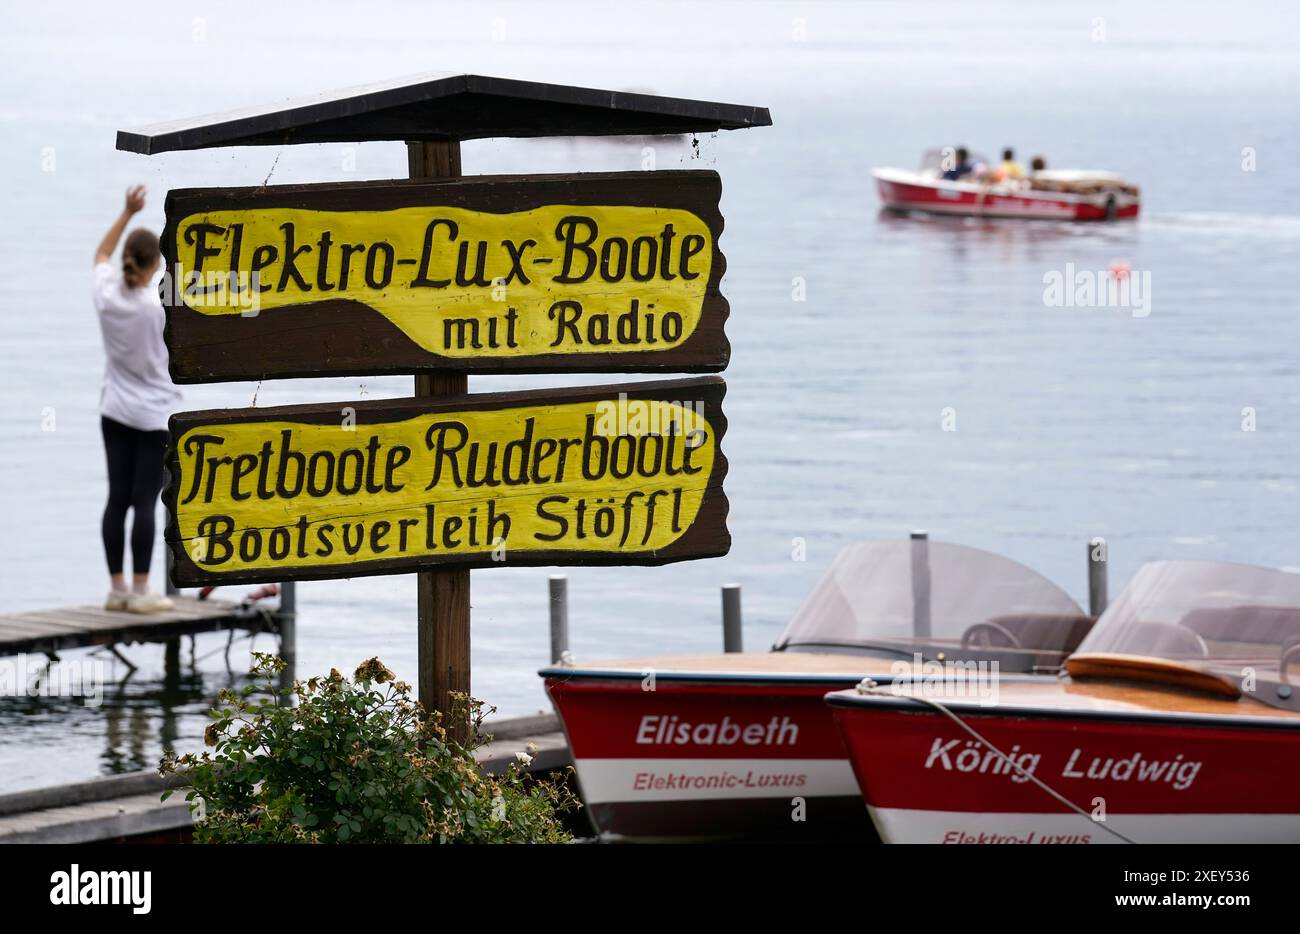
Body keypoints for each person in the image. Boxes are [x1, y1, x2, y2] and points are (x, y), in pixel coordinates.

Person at [92, 185, 182, 613]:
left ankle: (117, 590)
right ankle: (143, 592)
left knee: (117, 500)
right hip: (152, 417)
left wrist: (127, 212)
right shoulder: (158, 305)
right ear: (156, 265)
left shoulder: (107, 294)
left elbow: (100, 255)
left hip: (114, 411)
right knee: (144, 502)